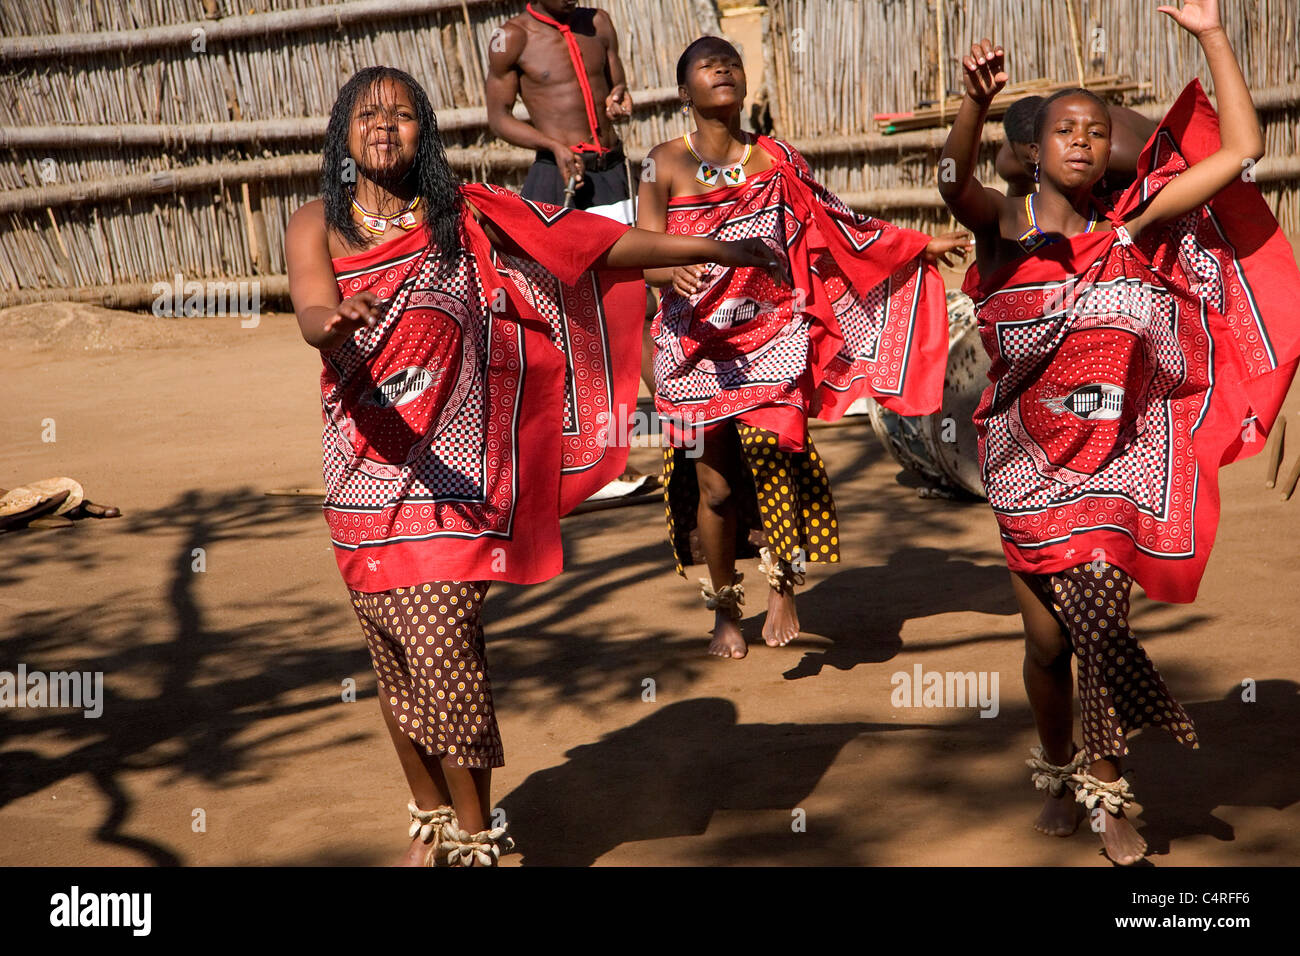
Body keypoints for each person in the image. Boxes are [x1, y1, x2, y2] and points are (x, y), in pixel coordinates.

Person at [285, 66, 784, 867]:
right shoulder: (315, 221)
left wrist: (716, 242)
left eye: (405, 115)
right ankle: (431, 812)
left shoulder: (469, 215)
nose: (385, 126)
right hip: (360, 469)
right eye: (369, 113)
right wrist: (332, 320)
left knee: (445, 640)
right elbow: (311, 306)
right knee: (397, 659)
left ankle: (478, 835)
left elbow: (596, 243)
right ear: (343, 128)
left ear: (427, 133)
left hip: (457, 476)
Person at [938, 0, 1300, 864]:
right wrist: (974, 106)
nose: (1082, 143)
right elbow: (953, 183)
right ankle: (1059, 762)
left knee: (1097, 611)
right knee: (1046, 642)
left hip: (1120, 462)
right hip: (1025, 459)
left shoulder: (1132, 232)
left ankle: (1108, 792)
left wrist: (1212, 34)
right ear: (1034, 149)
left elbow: (1243, 151)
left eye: (1097, 133)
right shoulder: (1004, 234)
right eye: (1065, 130)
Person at [639, 36, 969, 660]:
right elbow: (645, 253)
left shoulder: (780, 158)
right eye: (708, 67)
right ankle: (725, 610)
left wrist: (912, 245)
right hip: (693, 347)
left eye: (731, 63)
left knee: (774, 453)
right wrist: (668, 274)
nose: (724, 71)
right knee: (715, 490)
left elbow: (838, 223)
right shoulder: (662, 163)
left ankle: (783, 586)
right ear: (684, 93)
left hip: (772, 333)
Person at [485, 1, 658, 390]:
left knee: (639, 300)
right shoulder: (510, 38)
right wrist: (552, 145)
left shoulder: (598, 23)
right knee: (547, 305)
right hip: (557, 181)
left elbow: (618, 87)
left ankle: (676, 419)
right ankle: (564, 418)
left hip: (611, 174)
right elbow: (498, 117)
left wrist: (620, 98)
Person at [996, 94, 1157, 198]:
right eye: (1032, 163)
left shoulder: (1115, 151)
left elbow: (1171, 177)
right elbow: (1020, 223)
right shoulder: (1011, 164)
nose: (1040, 165)